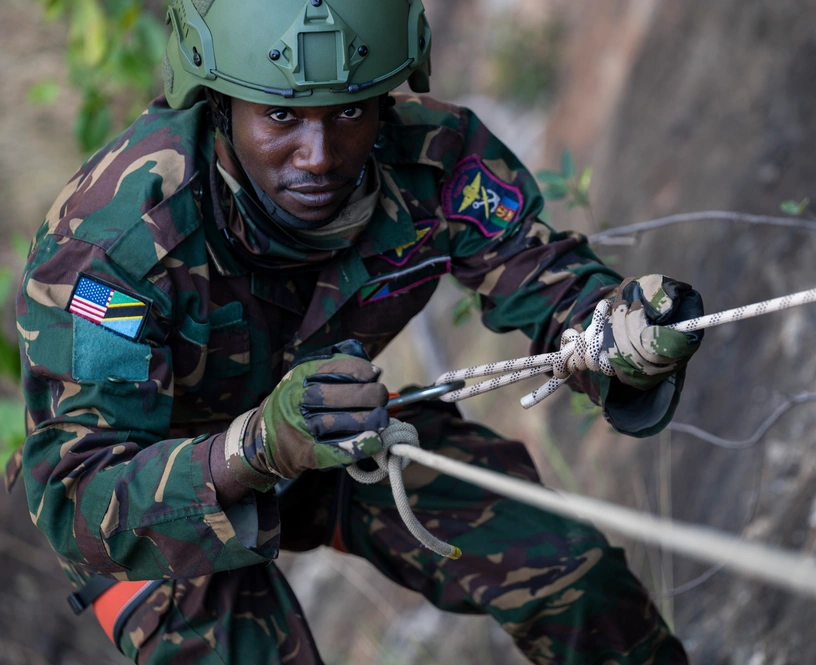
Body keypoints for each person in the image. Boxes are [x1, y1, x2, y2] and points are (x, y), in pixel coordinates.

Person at [9, 0, 703, 662]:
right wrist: (256, 447)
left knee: (571, 575)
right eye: (280, 114)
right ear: (218, 103)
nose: (318, 155)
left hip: (341, 433)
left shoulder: (431, 158)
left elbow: (543, 277)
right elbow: (78, 498)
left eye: (347, 110)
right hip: (164, 503)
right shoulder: (112, 251)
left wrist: (617, 329)